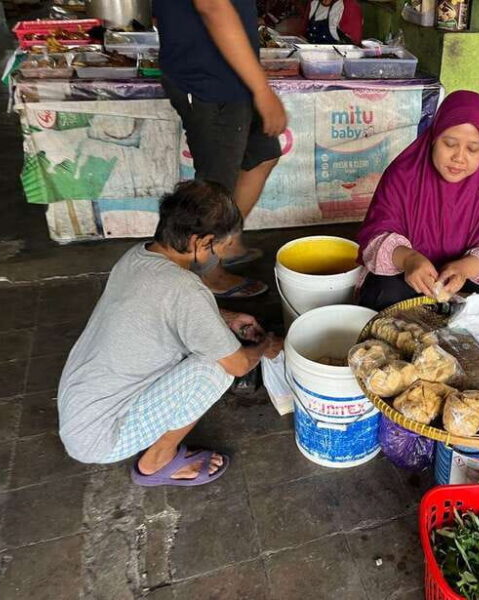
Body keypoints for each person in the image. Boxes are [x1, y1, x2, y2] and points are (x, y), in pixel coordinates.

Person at [58, 181, 283, 487]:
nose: (222, 254)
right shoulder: (185, 290)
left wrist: (227, 318)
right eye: (220, 246)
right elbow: (240, 365)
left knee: (211, 345)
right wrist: (267, 345)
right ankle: (157, 462)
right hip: (101, 437)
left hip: (79, 408)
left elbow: (165, 307)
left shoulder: (138, 256)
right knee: (215, 368)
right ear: (199, 242)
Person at [153, 0, 289, 298]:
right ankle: (206, 274)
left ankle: (223, 242)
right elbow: (213, 6)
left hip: (234, 78)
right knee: (213, 190)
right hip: (209, 83)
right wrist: (263, 90)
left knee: (262, 156)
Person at [357, 90, 479, 313]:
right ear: (434, 138)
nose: (459, 157)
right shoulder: (403, 174)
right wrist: (409, 259)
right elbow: (376, 236)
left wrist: (463, 269)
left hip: (463, 276)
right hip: (412, 274)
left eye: (473, 149)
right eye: (450, 144)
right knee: (383, 291)